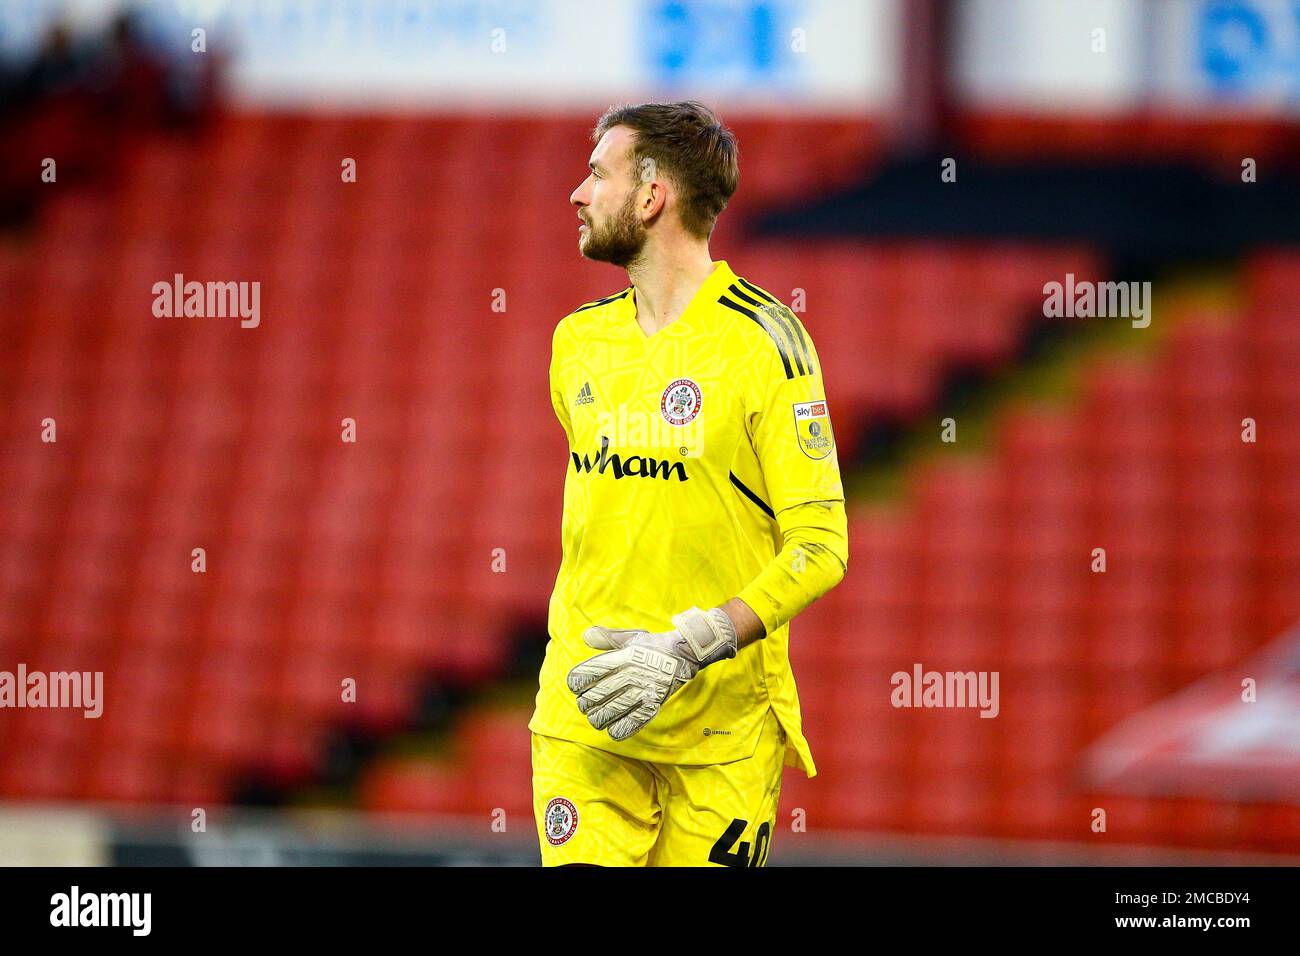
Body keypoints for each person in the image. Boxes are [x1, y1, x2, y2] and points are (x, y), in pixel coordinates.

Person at [529, 101, 848, 866]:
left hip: (721, 733)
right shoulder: (577, 343)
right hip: (588, 712)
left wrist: (691, 646)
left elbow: (821, 546)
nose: (577, 193)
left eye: (596, 173)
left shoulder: (766, 342)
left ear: (650, 197)